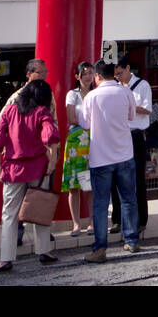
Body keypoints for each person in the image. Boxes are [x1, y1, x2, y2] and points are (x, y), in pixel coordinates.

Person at [0, 78, 60, 274]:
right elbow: (50, 135)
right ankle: (44, 251)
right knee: (39, 209)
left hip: (12, 169)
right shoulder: (41, 112)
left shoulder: (9, 111)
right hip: (37, 168)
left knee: (9, 215)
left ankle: (5, 259)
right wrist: (52, 161)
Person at [78, 60, 139, 262]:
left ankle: (100, 249)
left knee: (101, 204)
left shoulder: (91, 97)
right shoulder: (126, 92)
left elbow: (85, 124)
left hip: (100, 157)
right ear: (113, 74)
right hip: (124, 154)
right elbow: (131, 116)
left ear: (97, 76)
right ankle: (131, 240)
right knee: (128, 199)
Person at [111, 55, 151, 235]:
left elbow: (147, 109)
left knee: (138, 180)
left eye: (120, 73)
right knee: (116, 179)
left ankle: (142, 220)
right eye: (115, 75)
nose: (118, 77)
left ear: (128, 69)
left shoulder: (142, 85)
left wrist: (128, 105)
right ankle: (118, 219)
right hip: (119, 136)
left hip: (135, 136)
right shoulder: (115, 88)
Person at [61, 61, 95, 237]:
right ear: (77, 76)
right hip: (76, 141)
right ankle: (76, 224)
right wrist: (88, 125)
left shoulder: (97, 93)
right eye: (85, 73)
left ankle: (91, 222)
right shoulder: (72, 95)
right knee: (74, 186)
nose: (89, 76)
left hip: (93, 141)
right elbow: (71, 118)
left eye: (91, 73)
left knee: (89, 185)